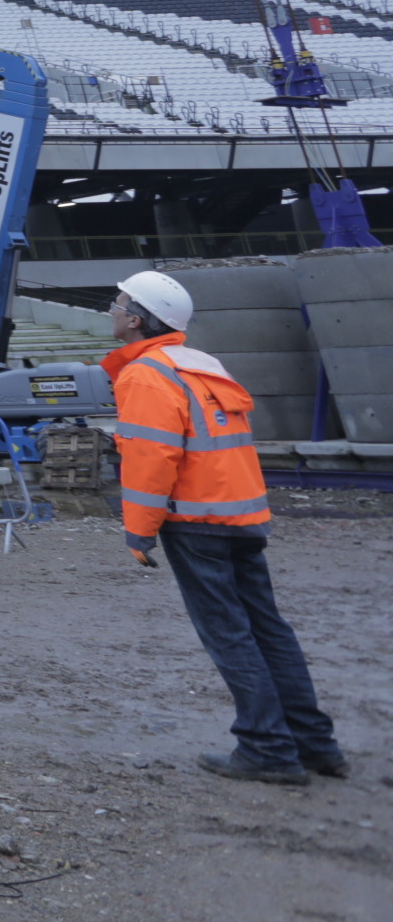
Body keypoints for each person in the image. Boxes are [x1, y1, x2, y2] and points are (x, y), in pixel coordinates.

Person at [105, 271, 343, 785]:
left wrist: (139, 532)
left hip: (196, 521)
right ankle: (315, 745)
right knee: (269, 630)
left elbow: (151, 458)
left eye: (120, 303)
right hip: (241, 515)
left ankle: (268, 750)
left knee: (230, 636)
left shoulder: (146, 374)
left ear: (138, 319)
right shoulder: (202, 364)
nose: (113, 309)